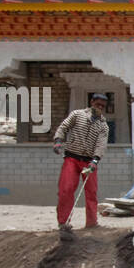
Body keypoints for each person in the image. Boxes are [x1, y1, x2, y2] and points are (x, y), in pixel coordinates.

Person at [52, 93, 108, 230]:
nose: (99, 107)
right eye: (97, 104)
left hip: (89, 162)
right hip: (72, 158)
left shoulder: (103, 125)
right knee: (66, 189)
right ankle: (63, 222)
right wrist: (58, 140)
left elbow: (101, 144)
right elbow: (63, 127)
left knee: (91, 192)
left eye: (102, 106)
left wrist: (95, 160)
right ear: (91, 102)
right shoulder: (77, 114)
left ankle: (91, 222)